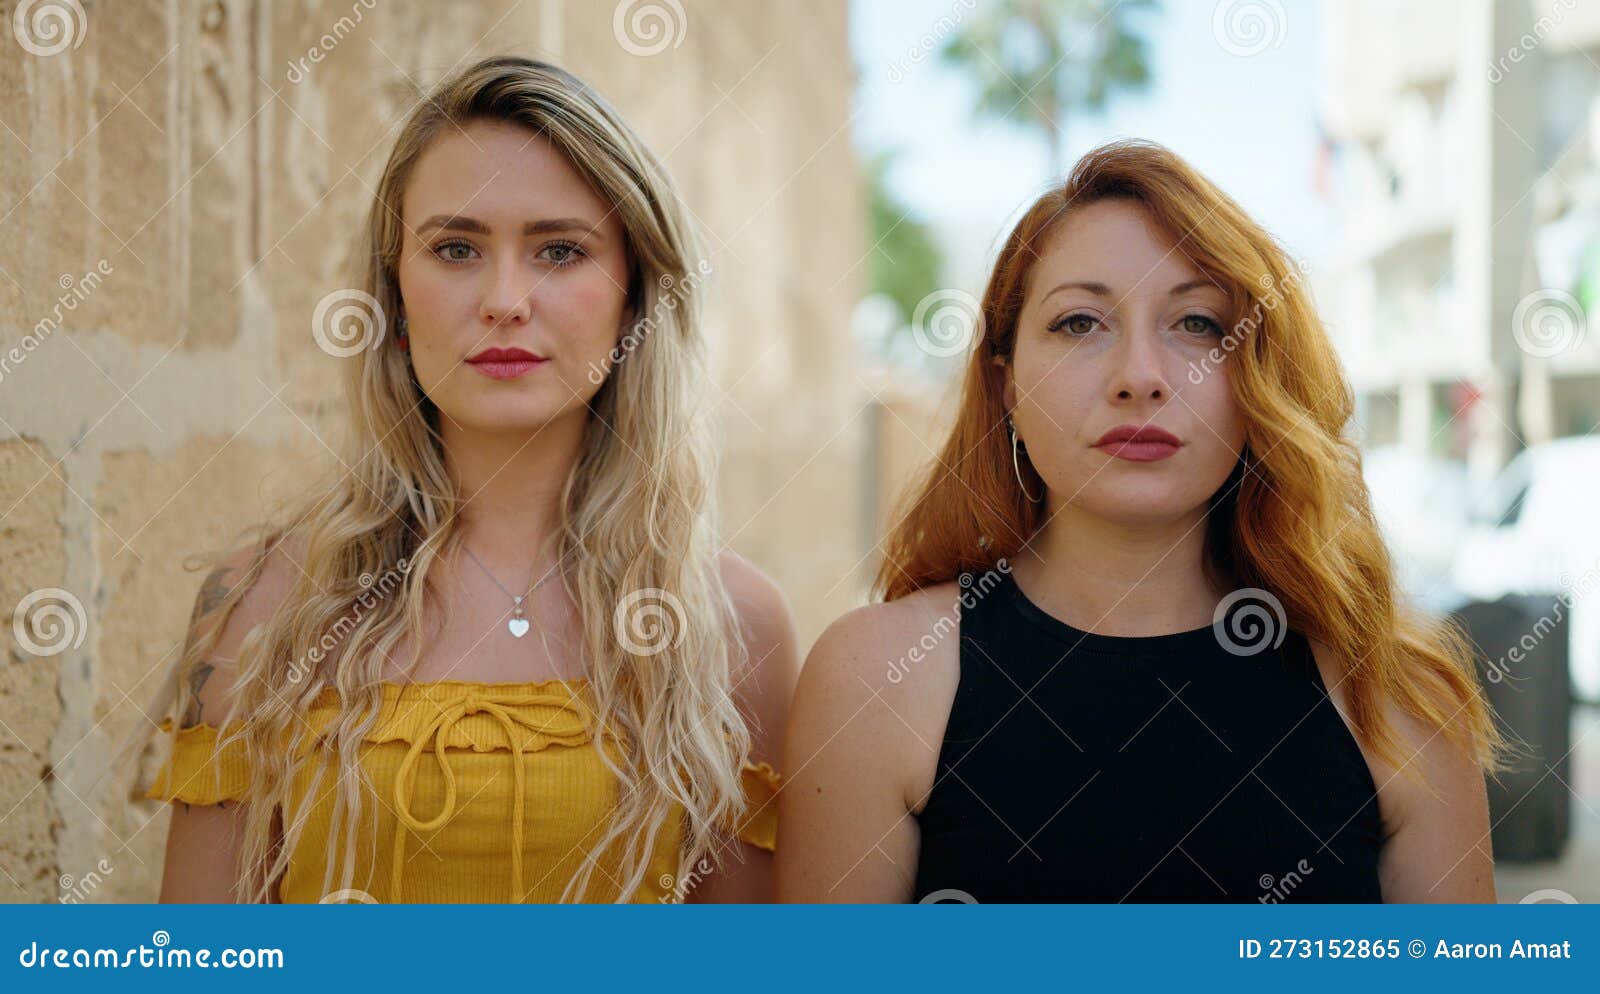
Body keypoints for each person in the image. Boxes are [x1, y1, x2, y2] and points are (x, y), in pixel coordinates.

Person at [778, 139, 1513, 903]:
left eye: (1196, 324)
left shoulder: (1396, 697)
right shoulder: (875, 682)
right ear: (1006, 389)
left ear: (1257, 376)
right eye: (1079, 324)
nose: (1139, 377)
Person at [146, 55, 797, 904]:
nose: (503, 299)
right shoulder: (266, 602)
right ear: (394, 293)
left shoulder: (729, 625)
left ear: (634, 297)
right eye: (456, 248)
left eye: (560, 250)